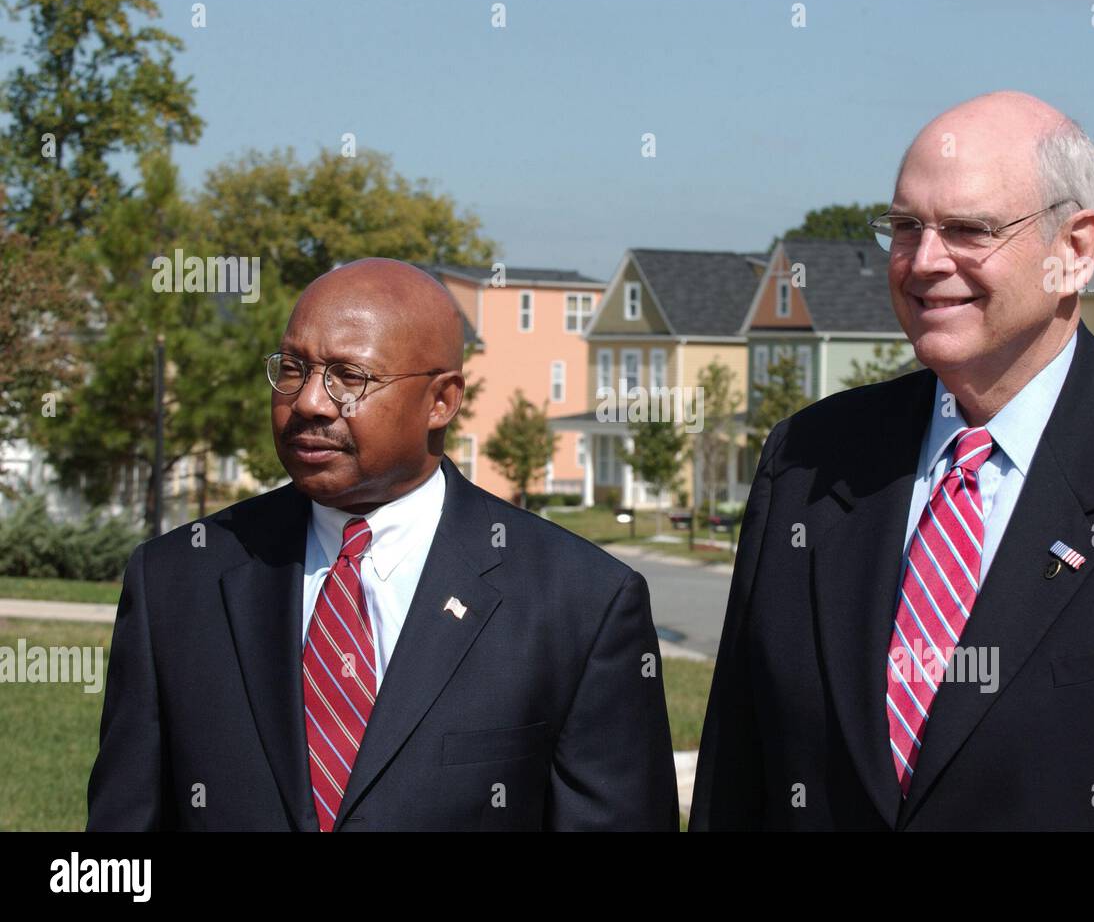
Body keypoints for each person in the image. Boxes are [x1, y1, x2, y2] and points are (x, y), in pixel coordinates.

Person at [690, 91, 1094, 831]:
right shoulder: (808, 462)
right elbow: (737, 783)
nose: (924, 261)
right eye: (906, 227)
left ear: (1074, 250)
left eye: (969, 229)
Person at [88, 258, 678, 831]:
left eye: (350, 377)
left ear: (442, 400)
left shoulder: (581, 603)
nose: (309, 402)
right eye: (292, 368)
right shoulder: (176, 580)